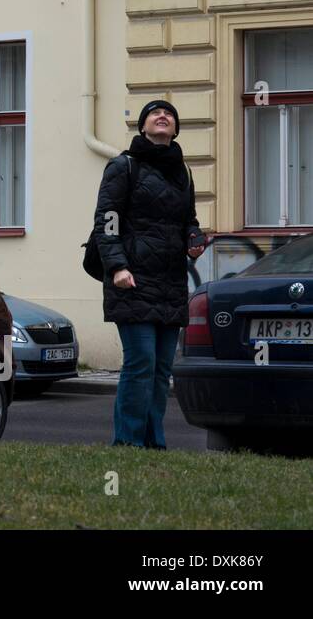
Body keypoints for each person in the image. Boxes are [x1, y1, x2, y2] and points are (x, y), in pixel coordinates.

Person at [94, 100, 204, 448]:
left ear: (175, 129)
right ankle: (127, 441)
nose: (162, 116)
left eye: (169, 114)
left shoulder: (182, 173)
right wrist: (117, 267)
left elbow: (189, 220)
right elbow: (106, 221)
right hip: (133, 280)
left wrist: (194, 238)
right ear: (143, 126)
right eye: (155, 114)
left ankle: (154, 442)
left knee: (160, 371)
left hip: (171, 282)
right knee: (140, 363)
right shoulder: (123, 166)